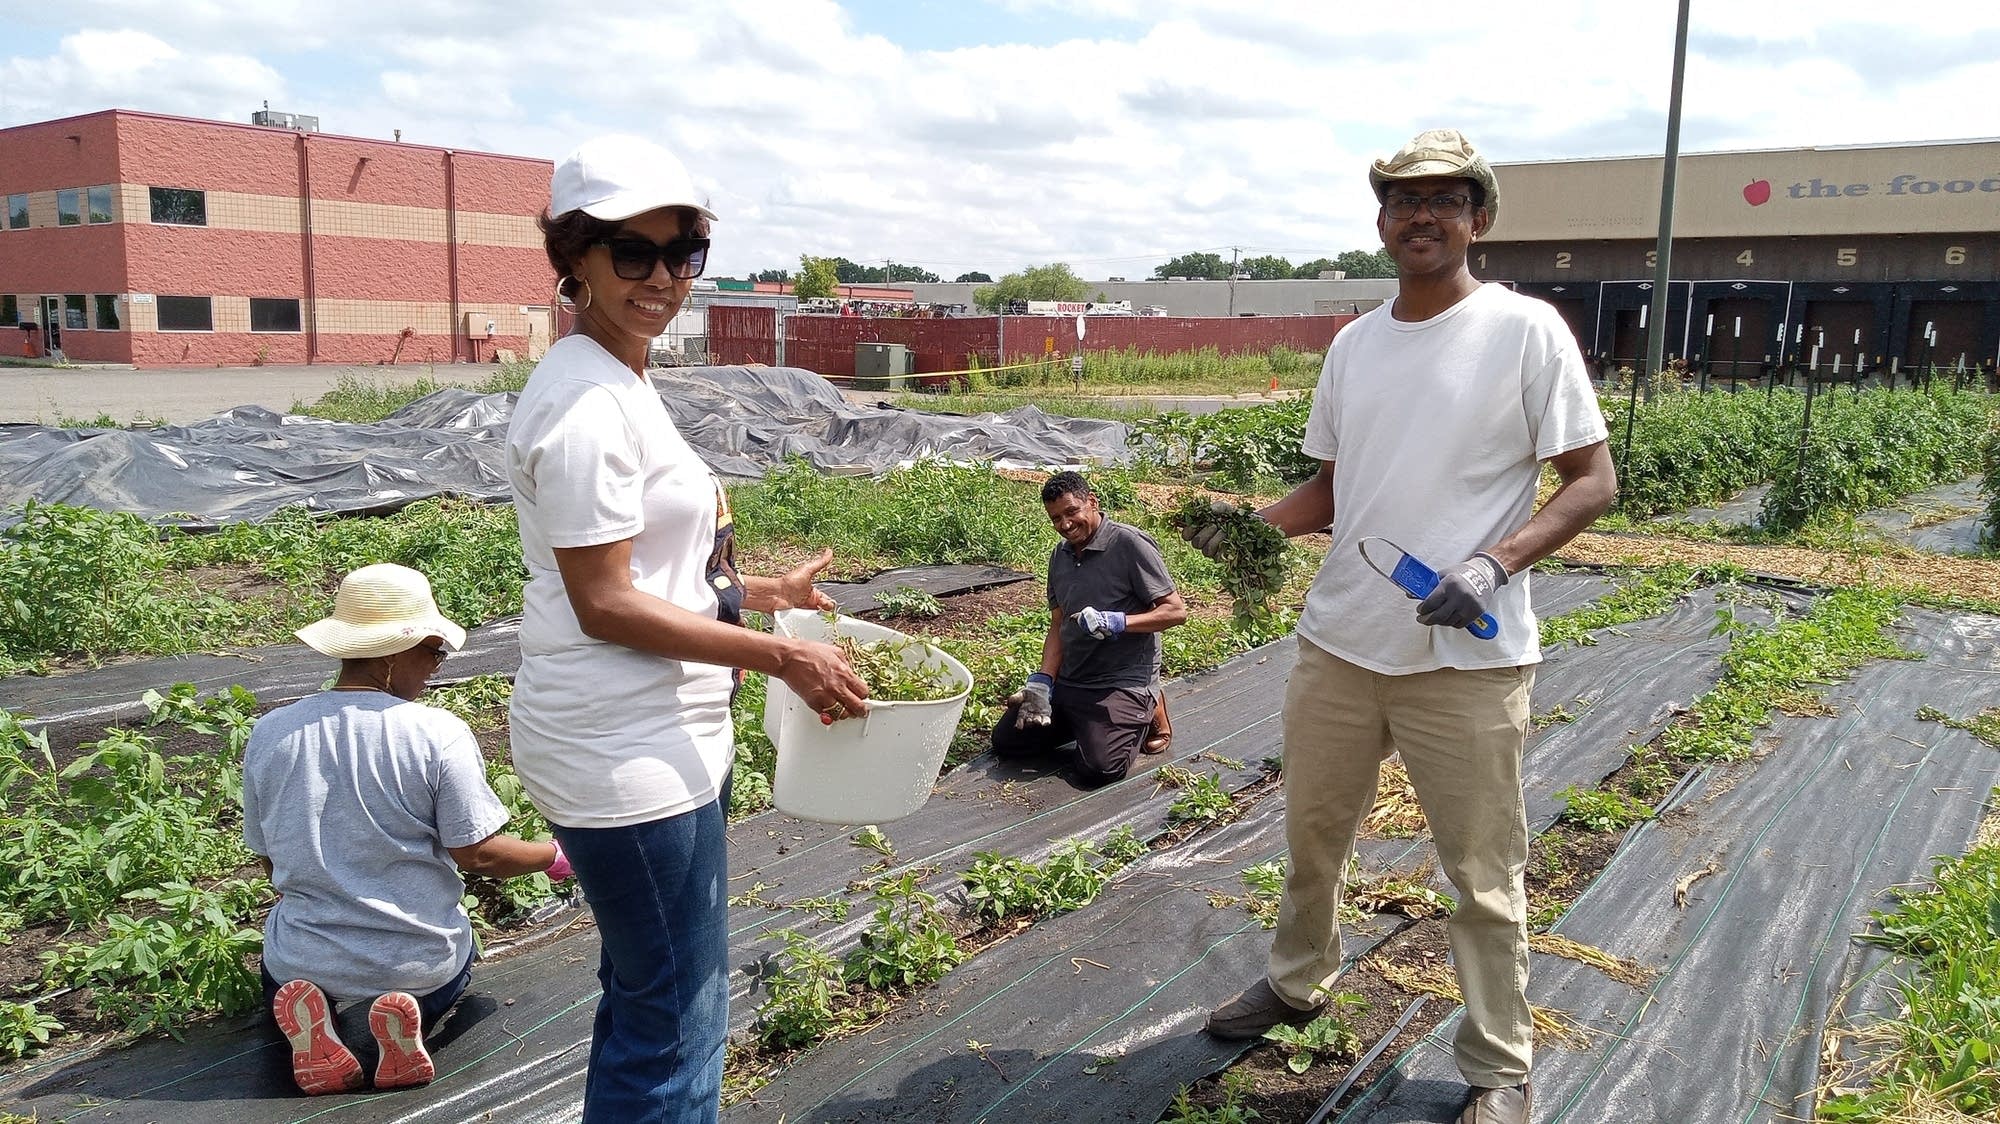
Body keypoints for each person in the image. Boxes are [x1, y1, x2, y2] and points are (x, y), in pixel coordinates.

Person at [1190, 129, 1616, 1124]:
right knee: (1312, 837)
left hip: (1464, 661)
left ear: (1478, 218)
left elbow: (1591, 480)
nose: (1421, 215)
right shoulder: (1354, 344)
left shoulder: (1525, 331)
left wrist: (1492, 562)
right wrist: (1245, 528)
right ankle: (1296, 981)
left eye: (1444, 199)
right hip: (1339, 643)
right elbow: (1335, 490)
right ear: (1381, 221)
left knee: (1481, 872)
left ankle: (1499, 1066)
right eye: (1402, 200)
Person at [505, 134, 870, 1124]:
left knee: (651, 994)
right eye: (633, 252)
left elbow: (650, 572)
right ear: (574, 257)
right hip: (625, 751)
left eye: (683, 253)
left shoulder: (619, 376)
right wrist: (781, 655)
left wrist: (757, 590)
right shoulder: (585, 405)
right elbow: (605, 603)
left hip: (655, 734)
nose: (663, 278)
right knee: (675, 1021)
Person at [242, 563, 571, 1097]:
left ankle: (318, 1013)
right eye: (434, 652)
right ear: (395, 654)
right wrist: (554, 855)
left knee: (291, 970)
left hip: (302, 957)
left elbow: (268, 860)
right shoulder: (436, 733)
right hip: (417, 958)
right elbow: (480, 854)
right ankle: (406, 1014)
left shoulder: (272, 731)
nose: (435, 669)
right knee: (451, 966)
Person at [993, 470, 1187, 786]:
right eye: (1056, 518)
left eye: (1072, 511)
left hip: (1120, 680)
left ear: (1092, 502)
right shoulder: (1060, 555)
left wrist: (1118, 622)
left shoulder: (1129, 544)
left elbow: (1175, 612)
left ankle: (1150, 706)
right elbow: (1058, 623)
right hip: (1073, 678)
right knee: (1008, 742)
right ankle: (1087, 724)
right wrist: (1043, 683)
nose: (1065, 524)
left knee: (1100, 768)